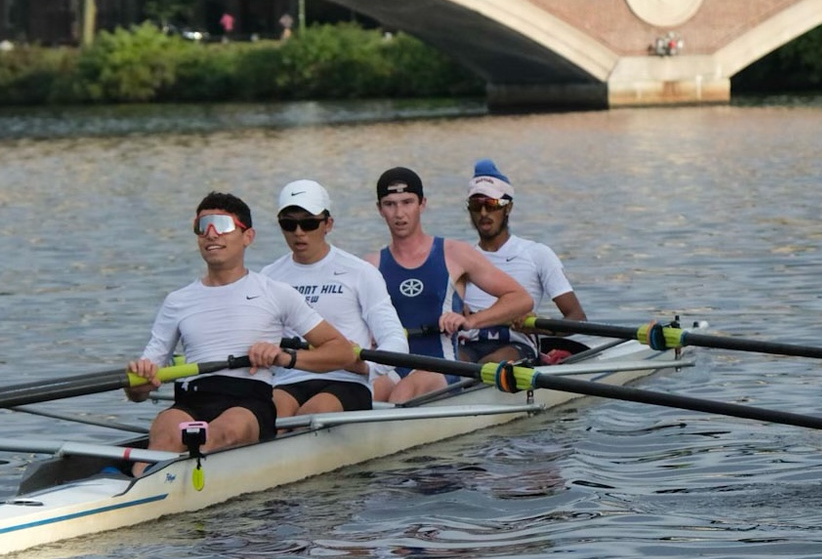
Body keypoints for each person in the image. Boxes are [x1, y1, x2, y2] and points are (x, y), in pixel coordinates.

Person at [127, 192, 355, 454]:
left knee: (225, 432)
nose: (212, 234)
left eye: (223, 226)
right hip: (193, 397)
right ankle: (135, 485)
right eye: (203, 227)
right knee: (165, 432)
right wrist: (139, 384)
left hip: (250, 401)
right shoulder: (177, 300)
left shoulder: (276, 292)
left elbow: (342, 351)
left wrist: (285, 358)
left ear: (248, 237)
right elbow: (139, 392)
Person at [371, 166, 533, 403]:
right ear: (380, 209)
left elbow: (520, 298)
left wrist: (470, 321)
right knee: (366, 392)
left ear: (422, 204)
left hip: (442, 365)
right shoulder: (371, 264)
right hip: (393, 366)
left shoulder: (454, 254)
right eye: (390, 204)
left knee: (403, 394)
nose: (399, 213)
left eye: (407, 202)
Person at [260, 178, 406, 419]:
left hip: (347, 378)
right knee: (269, 414)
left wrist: (365, 366)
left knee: (311, 414)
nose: (298, 233)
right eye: (289, 224)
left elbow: (394, 340)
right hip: (289, 379)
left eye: (308, 223)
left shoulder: (360, 272)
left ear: (328, 224)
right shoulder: (269, 276)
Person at [458, 158, 584, 364]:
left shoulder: (537, 254)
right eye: (476, 205)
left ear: (508, 208)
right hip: (467, 345)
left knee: (487, 367)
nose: (483, 213)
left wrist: (538, 327)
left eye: (491, 204)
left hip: (516, 346)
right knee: (446, 370)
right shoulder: (462, 259)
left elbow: (577, 317)